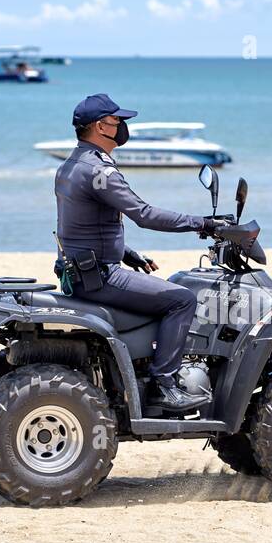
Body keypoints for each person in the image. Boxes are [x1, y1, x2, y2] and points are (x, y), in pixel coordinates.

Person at [54, 93, 226, 413]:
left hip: (78, 270)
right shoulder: (99, 171)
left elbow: (79, 225)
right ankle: (166, 385)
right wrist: (203, 223)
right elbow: (144, 215)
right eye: (118, 121)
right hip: (99, 276)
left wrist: (127, 252)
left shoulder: (71, 165)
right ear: (100, 127)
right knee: (182, 298)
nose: (122, 127)